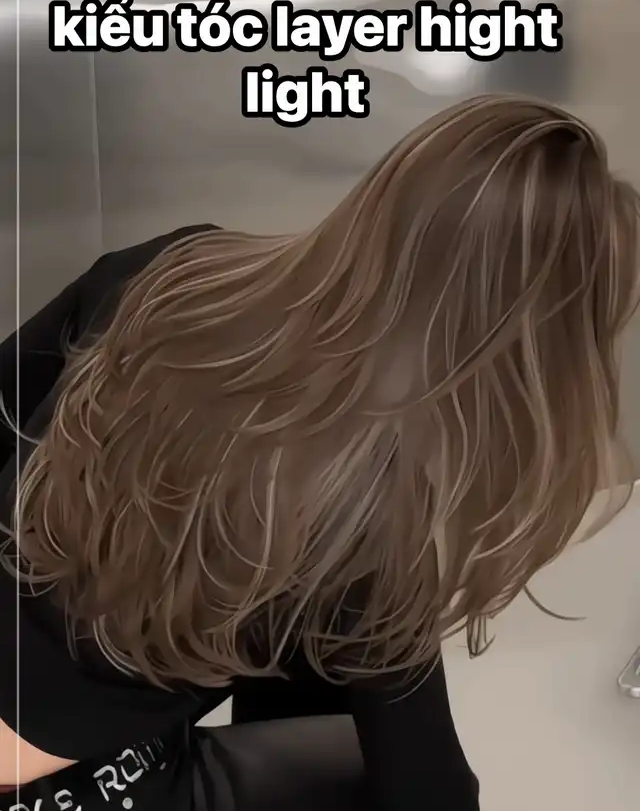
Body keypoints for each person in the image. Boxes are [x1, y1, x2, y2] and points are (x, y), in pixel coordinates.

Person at [1, 94, 639, 811]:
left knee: (310, 650)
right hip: (45, 782)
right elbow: (428, 784)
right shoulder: (367, 525)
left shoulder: (175, 270)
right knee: (346, 736)